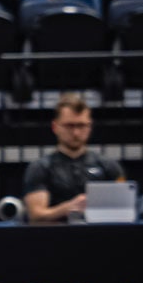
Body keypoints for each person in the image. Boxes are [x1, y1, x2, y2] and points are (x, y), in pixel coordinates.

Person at [23, 94, 124, 224]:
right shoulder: (40, 168)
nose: (76, 133)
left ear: (90, 127)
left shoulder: (109, 166)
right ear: (55, 127)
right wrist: (67, 208)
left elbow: (124, 209)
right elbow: (36, 215)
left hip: (100, 236)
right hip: (55, 238)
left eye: (81, 126)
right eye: (69, 126)